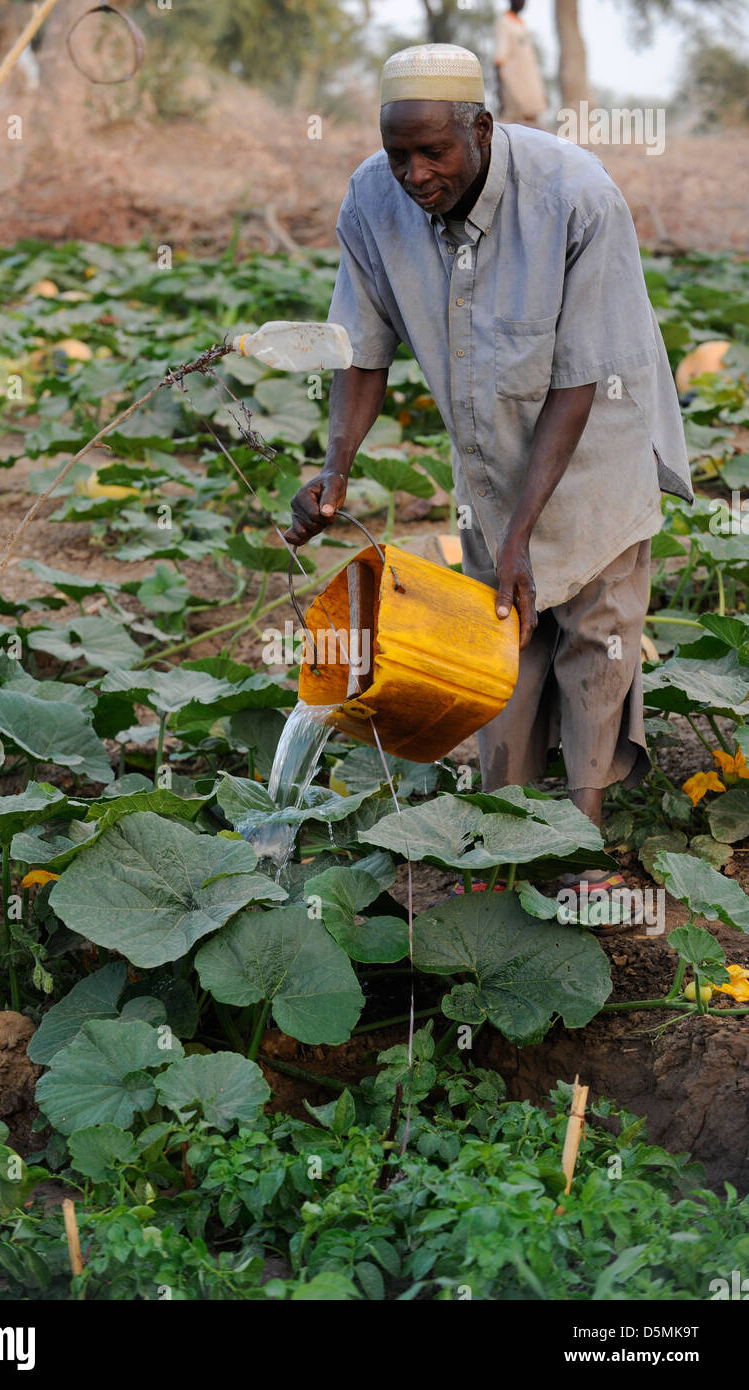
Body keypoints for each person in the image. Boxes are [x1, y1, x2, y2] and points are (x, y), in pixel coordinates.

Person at [283, 43, 693, 920]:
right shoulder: (372, 198)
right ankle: (509, 827)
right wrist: (335, 469)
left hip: (598, 433)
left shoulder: (574, 196)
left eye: (433, 152)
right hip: (491, 450)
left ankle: (578, 841)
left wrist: (520, 537)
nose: (414, 174)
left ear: (481, 127)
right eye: (398, 154)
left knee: (594, 631)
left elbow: (580, 378)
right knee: (503, 635)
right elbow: (360, 349)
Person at [494, 0, 548, 127]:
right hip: (513, 77)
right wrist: (500, 80)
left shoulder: (521, 24)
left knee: (532, 117)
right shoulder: (504, 22)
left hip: (528, 77)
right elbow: (501, 52)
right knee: (516, 119)